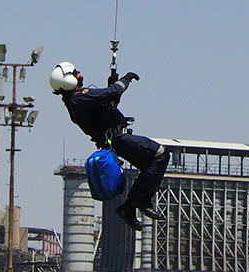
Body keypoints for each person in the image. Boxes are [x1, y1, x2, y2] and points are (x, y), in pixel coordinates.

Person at [50, 60, 169, 230]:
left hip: (116, 140)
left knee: (150, 167)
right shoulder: (80, 97)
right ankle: (138, 201)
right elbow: (113, 93)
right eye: (76, 72)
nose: (80, 74)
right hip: (119, 139)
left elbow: (108, 104)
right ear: (69, 80)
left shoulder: (76, 101)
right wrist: (125, 80)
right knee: (161, 153)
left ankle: (130, 206)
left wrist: (111, 85)